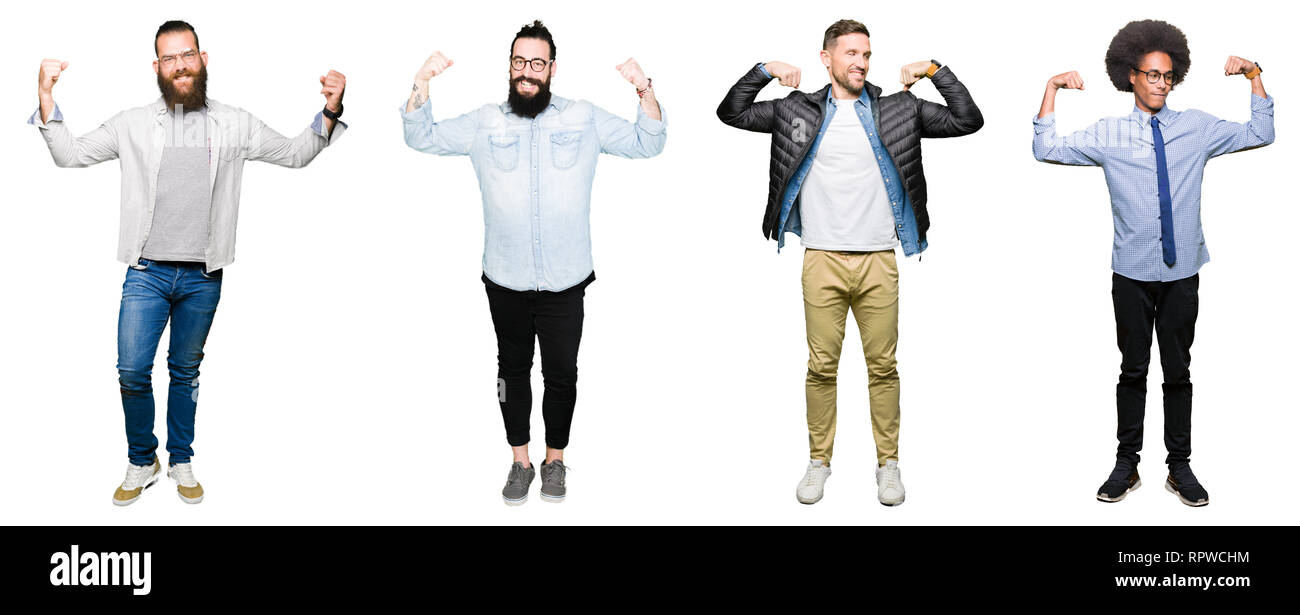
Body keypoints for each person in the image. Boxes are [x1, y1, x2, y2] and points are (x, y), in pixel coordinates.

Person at [30, 20, 348, 506]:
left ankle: (180, 457)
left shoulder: (235, 123)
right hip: (146, 274)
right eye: (170, 58)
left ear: (203, 59)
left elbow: (294, 153)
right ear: (156, 67)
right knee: (132, 370)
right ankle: (143, 459)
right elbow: (70, 155)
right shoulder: (133, 123)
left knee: (185, 370)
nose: (181, 65)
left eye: (188, 55)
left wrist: (330, 108)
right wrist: (46, 97)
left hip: (203, 276)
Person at [399, 20, 666, 505]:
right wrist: (421, 83)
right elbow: (421, 137)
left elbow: (649, 141)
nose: (527, 72)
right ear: (510, 67)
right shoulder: (485, 121)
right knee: (511, 371)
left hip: (567, 279)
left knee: (563, 373)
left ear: (552, 69)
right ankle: (520, 461)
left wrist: (644, 88)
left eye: (537, 63)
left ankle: (555, 460)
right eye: (520, 62)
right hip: (505, 279)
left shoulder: (582, 117)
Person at [717, 19, 982, 506]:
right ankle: (819, 462)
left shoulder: (898, 109)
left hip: (878, 260)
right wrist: (763, 70)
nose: (861, 62)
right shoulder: (794, 110)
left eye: (867, 54)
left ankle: (888, 465)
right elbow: (730, 113)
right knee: (821, 367)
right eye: (852, 54)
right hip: (820, 259)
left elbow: (967, 119)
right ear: (827, 58)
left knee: (883, 366)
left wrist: (933, 70)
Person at [1031, 19, 1273, 507]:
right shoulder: (1108, 134)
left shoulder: (1196, 128)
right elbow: (1045, 147)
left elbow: (1261, 131)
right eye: (1152, 75)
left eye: (1168, 76)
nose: (1161, 83)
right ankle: (1127, 465)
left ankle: (1179, 468)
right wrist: (1051, 87)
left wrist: (1254, 73)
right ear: (1131, 76)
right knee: (1133, 371)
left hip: (1183, 274)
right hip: (1132, 276)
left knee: (1178, 371)